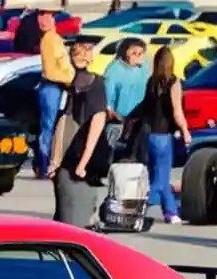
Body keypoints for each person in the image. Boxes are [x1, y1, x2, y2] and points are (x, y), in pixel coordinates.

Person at [50, 40, 111, 227]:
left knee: (65, 213)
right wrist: (84, 162)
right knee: (77, 217)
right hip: (79, 155)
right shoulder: (95, 83)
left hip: (66, 152)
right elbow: (97, 121)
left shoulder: (64, 84)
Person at [137, 45, 190, 224]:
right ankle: (139, 206)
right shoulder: (173, 83)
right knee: (160, 178)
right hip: (164, 135)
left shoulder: (151, 81)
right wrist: (185, 130)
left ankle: (171, 211)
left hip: (149, 134)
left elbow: (145, 107)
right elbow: (177, 111)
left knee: (158, 174)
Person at [35, 10, 74, 178]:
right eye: (40, 16)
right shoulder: (48, 40)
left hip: (57, 86)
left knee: (52, 126)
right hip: (52, 86)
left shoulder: (54, 39)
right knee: (48, 127)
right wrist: (69, 80)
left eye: (47, 16)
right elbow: (51, 71)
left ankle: (47, 164)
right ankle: (43, 166)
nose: (42, 20)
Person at [103, 37, 147, 148]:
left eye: (140, 53)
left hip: (139, 118)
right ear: (125, 52)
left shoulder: (144, 68)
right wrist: (111, 111)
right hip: (118, 119)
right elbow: (108, 92)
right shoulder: (114, 69)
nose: (137, 56)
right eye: (134, 53)